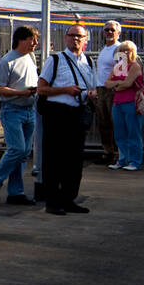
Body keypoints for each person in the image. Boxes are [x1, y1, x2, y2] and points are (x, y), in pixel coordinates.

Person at [37, 24, 95, 216]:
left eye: (80, 36)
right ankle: (52, 202)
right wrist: (65, 89)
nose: (76, 39)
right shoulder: (54, 60)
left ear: (86, 39)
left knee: (75, 160)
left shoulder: (89, 62)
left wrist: (92, 94)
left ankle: (69, 199)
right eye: (72, 36)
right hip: (57, 112)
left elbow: (90, 87)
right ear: (66, 38)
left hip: (78, 112)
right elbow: (41, 89)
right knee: (54, 159)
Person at [0, 26, 40, 205]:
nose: (35, 43)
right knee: (17, 149)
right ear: (21, 39)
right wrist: (21, 93)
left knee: (24, 153)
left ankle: (15, 192)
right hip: (12, 109)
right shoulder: (7, 61)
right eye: (32, 39)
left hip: (29, 110)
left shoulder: (30, 57)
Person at [106, 40, 144, 171]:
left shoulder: (135, 66)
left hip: (132, 103)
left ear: (133, 52)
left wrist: (116, 83)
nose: (125, 52)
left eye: (128, 50)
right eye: (122, 50)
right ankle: (123, 160)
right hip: (117, 103)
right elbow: (107, 83)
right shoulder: (119, 67)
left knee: (133, 133)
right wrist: (119, 83)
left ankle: (135, 161)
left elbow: (127, 84)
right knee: (119, 134)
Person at [93, 21, 122, 164]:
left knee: (114, 122)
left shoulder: (119, 48)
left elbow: (121, 70)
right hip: (101, 89)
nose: (109, 32)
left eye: (112, 30)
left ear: (118, 33)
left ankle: (117, 153)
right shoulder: (104, 49)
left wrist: (114, 86)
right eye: (106, 30)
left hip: (112, 90)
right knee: (103, 122)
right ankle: (108, 151)